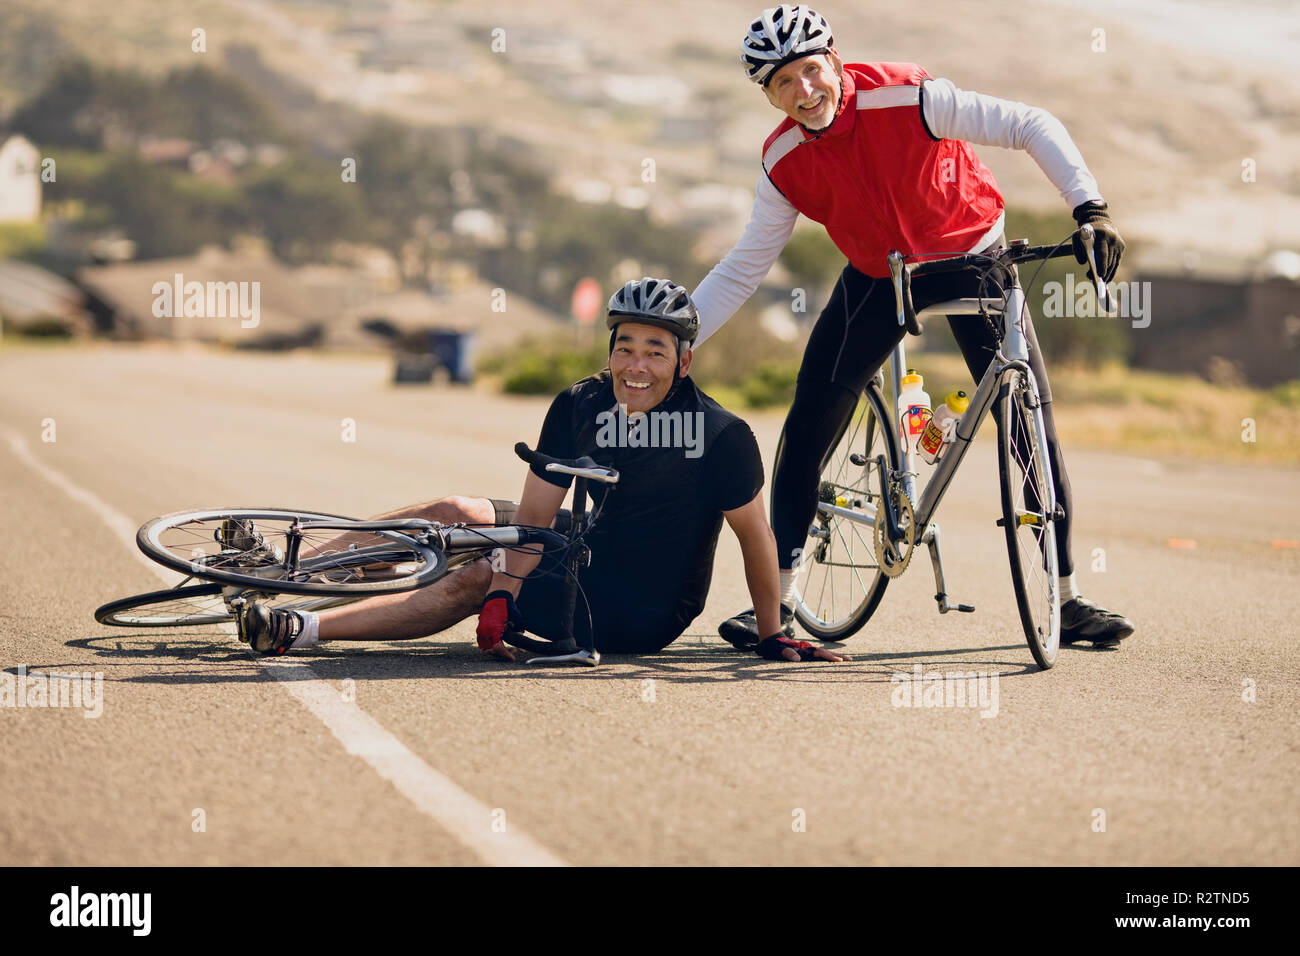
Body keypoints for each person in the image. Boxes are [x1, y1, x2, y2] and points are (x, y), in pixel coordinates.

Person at [694, 4, 1135, 649]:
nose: (803, 91)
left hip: (971, 257)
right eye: (781, 83)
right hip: (879, 274)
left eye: (811, 71)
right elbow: (743, 268)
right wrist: (681, 342)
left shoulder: (910, 97)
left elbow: (1029, 123)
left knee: (1027, 423)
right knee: (811, 416)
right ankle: (782, 603)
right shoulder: (782, 160)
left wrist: (1089, 208)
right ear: (766, 95)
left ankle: (1065, 600)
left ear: (835, 60)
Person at [236, 277, 846, 664]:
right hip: (577, 546)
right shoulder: (580, 405)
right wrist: (512, 577)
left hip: (639, 605)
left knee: (476, 574)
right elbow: (533, 517)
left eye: (656, 351)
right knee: (456, 513)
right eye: (625, 347)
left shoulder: (720, 434)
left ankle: (301, 626)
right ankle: (288, 568)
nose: (637, 364)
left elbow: (754, 535)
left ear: (683, 362)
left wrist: (772, 633)